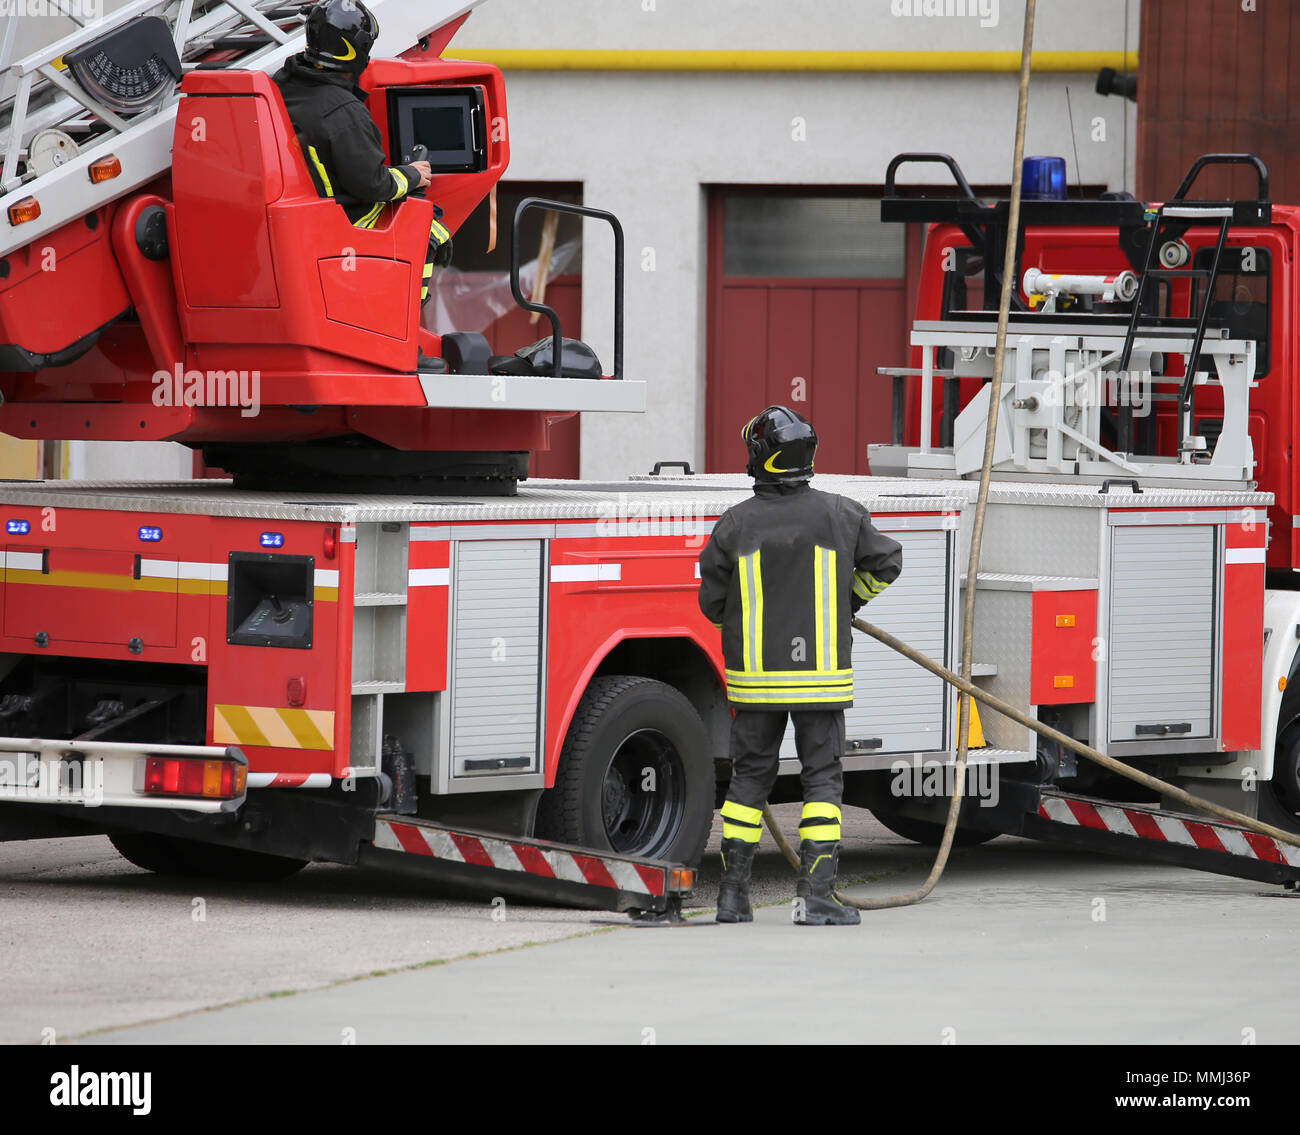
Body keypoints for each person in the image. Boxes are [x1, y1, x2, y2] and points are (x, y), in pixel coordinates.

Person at [698, 406, 903, 926]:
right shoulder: (842, 513)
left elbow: (712, 606)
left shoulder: (735, 524)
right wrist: (848, 600)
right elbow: (887, 562)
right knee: (822, 784)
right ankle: (816, 898)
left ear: (759, 458)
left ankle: (731, 898)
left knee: (747, 786)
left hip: (756, 684)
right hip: (821, 680)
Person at [274, 0, 452, 306]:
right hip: (341, 225)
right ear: (357, 51)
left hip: (300, 218)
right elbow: (372, 185)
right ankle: (403, 314)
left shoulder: (283, 83)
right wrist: (412, 174)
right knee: (429, 226)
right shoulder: (344, 113)